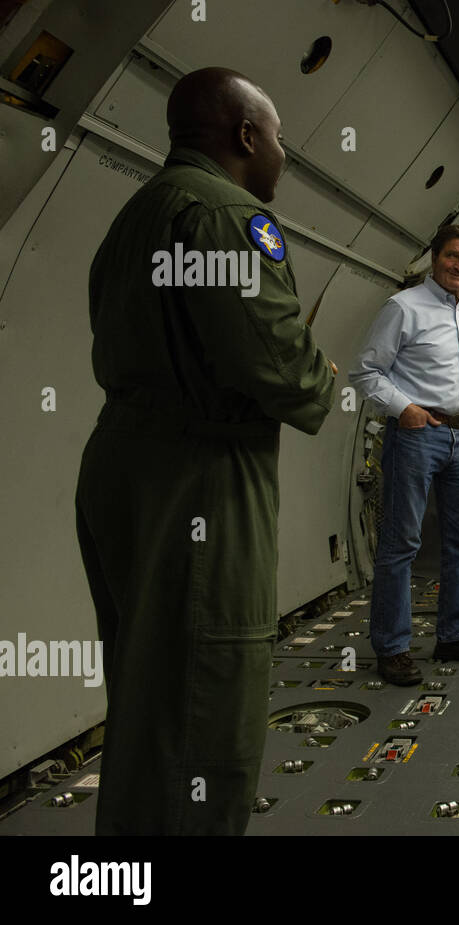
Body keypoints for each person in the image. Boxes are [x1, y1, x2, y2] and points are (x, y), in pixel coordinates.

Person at [75, 67, 337, 834]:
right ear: (246, 135)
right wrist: (321, 375)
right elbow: (278, 364)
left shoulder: (138, 212)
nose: (284, 155)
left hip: (123, 465)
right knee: (206, 702)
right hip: (202, 480)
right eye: (279, 138)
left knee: (147, 692)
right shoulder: (227, 215)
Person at [351, 223, 459, 682]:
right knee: (401, 543)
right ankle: (391, 647)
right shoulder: (403, 307)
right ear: (435, 258)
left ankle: (454, 635)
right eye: (452, 256)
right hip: (416, 436)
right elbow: (366, 371)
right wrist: (404, 409)